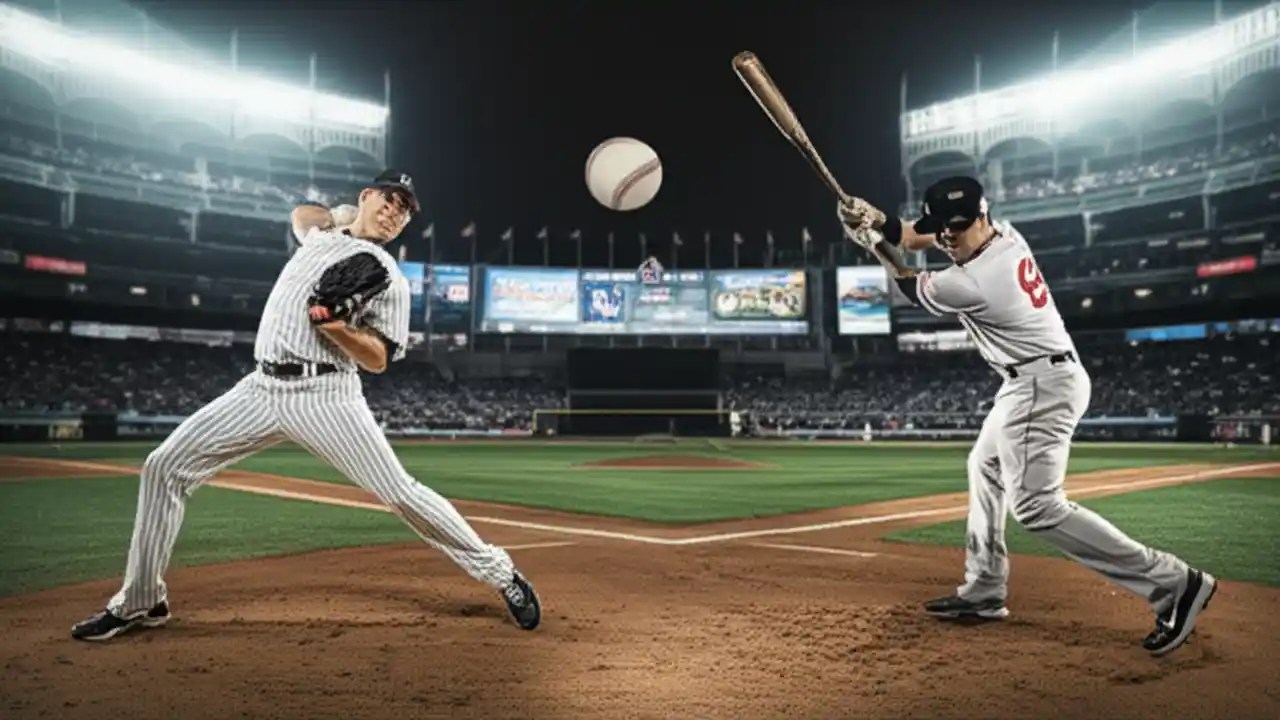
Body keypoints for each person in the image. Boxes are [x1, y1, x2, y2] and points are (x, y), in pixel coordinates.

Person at [72, 170, 540, 641]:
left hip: (325, 396)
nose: (396, 212)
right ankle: (142, 601)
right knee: (163, 467)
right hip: (261, 388)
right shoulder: (320, 236)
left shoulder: (390, 278)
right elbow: (301, 213)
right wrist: (340, 219)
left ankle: (503, 575)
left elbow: (378, 359)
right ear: (366, 197)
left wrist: (335, 326)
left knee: (400, 493)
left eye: (406, 210)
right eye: (391, 200)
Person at [837, 177, 1215, 656]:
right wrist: (875, 218)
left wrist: (872, 244)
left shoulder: (974, 281)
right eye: (944, 229)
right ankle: (984, 588)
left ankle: (1176, 583)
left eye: (957, 228)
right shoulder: (1003, 235)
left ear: (982, 217)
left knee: (1037, 507)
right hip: (1030, 379)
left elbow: (908, 284)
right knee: (985, 465)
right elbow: (912, 235)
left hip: (1042, 384)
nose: (948, 237)